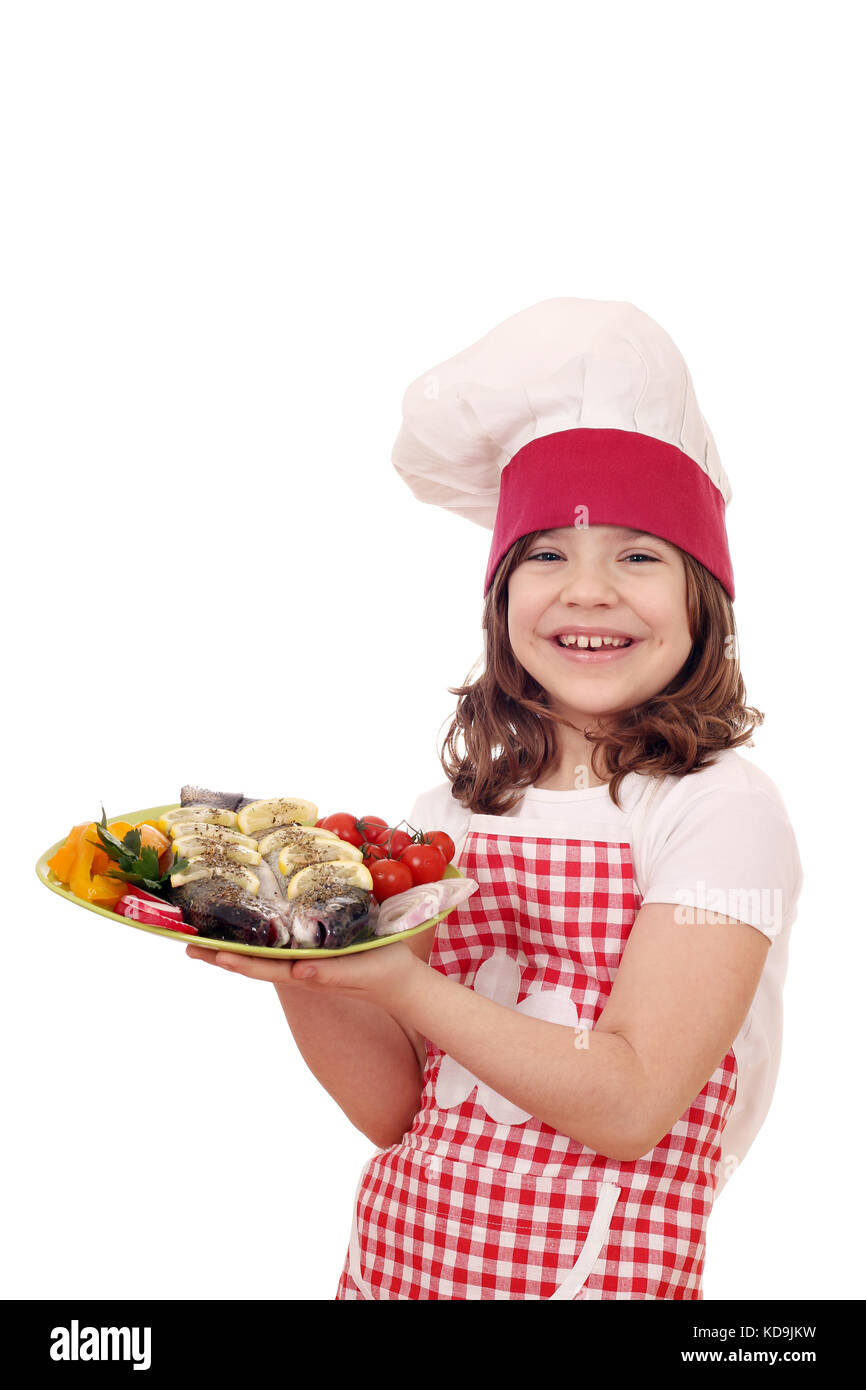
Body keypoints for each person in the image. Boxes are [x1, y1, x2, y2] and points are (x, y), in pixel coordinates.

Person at [187, 298, 803, 1300]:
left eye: (637, 554)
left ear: (702, 598)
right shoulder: (453, 808)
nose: (587, 589)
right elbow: (396, 1105)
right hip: (395, 1268)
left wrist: (400, 984)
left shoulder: (717, 810)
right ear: (499, 595)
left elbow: (631, 1101)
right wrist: (300, 963)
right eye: (547, 554)